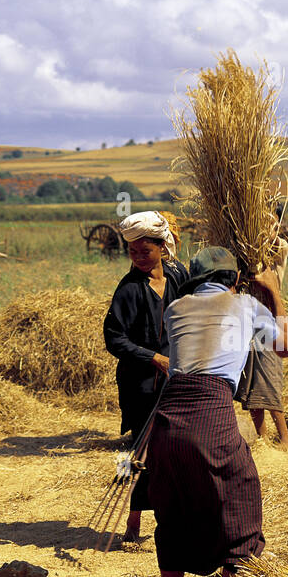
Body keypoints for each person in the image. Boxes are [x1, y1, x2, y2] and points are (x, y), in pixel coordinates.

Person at [144, 246, 288, 577]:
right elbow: (286, 347)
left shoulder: (175, 307)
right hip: (211, 411)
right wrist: (273, 291)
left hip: (167, 420)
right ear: (234, 280)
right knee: (239, 501)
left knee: (173, 514)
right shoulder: (244, 304)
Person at [102, 211, 189, 544]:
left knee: (175, 451)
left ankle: (172, 519)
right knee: (139, 454)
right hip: (140, 386)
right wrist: (153, 357)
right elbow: (115, 339)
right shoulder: (128, 290)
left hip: (176, 380)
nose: (139, 257)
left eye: (145, 251)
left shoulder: (179, 276)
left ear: (162, 247)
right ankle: (133, 521)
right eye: (132, 252)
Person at [236, 237, 288, 448]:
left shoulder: (276, 254)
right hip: (245, 319)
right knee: (250, 380)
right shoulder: (241, 251)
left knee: (269, 376)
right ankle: (263, 439)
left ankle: (285, 438)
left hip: (269, 319)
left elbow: (282, 245)